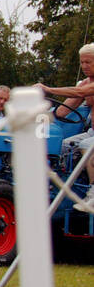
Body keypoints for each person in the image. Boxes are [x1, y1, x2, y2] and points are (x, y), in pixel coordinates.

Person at [42, 43, 94, 187]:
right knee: (63, 146)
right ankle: (61, 184)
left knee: (86, 145)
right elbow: (63, 110)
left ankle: (93, 193)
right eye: (82, 62)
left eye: (88, 62)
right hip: (92, 133)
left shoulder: (85, 88)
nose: (84, 66)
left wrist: (48, 89)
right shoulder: (85, 83)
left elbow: (80, 93)